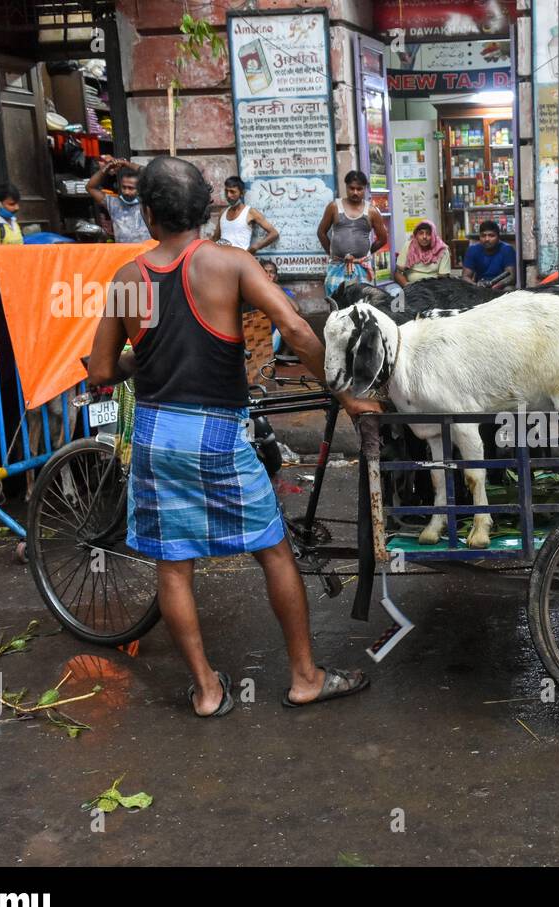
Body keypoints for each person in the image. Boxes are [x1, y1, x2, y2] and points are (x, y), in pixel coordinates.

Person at [85, 156, 381, 716]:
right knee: (271, 551)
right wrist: (345, 396)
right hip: (217, 434)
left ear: (146, 214)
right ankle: (304, 677)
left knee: (173, 566)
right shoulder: (231, 263)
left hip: (155, 434)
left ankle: (206, 690)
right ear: (207, 211)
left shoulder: (128, 279)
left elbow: (102, 370)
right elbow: (295, 327)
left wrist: (136, 359)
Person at [316, 170, 389, 297]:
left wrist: (365, 253)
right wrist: (332, 253)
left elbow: (382, 238)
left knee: (362, 304)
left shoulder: (372, 211)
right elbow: (321, 232)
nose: (355, 192)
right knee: (336, 303)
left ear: (365, 189)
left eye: (359, 189)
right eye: (352, 188)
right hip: (337, 266)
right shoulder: (334, 207)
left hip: (361, 268)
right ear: (346, 187)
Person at [85, 157, 151, 243]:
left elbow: (150, 174)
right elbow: (90, 187)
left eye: (131, 188)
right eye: (124, 187)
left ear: (139, 188)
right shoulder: (113, 203)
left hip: (144, 253)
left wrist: (126, 163)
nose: (126, 191)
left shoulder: (148, 203)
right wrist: (108, 167)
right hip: (123, 254)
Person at [212, 175, 279, 253]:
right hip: (222, 260)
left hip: (240, 261)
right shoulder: (223, 213)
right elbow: (215, 238)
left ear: (242, 193)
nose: (228, 195)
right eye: (226, 191)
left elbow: (274, 233)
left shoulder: (250, 212)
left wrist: (255, 247)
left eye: (232, 192)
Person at [393, 220, 450, 285]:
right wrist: (407, 286)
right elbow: (398, 273)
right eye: (421, 233)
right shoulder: (409, 246)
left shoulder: (442, 249)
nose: (424, 237)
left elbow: (443, 278)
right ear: (416, 235)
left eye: (428, 233)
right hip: (411, 287)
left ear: (433, 235)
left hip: (434, 288)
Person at [462, 219, 516, 286]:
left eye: (491, 235)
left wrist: (497, 285)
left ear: (498, 237)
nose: (487, 239)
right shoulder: (472, 250)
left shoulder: (507, 249)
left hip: (501, 287)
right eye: (483, 236)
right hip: (480, 287)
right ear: (479, 237)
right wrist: (475, 285)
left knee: (509, 289)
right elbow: (465, 277)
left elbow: (511, 277)